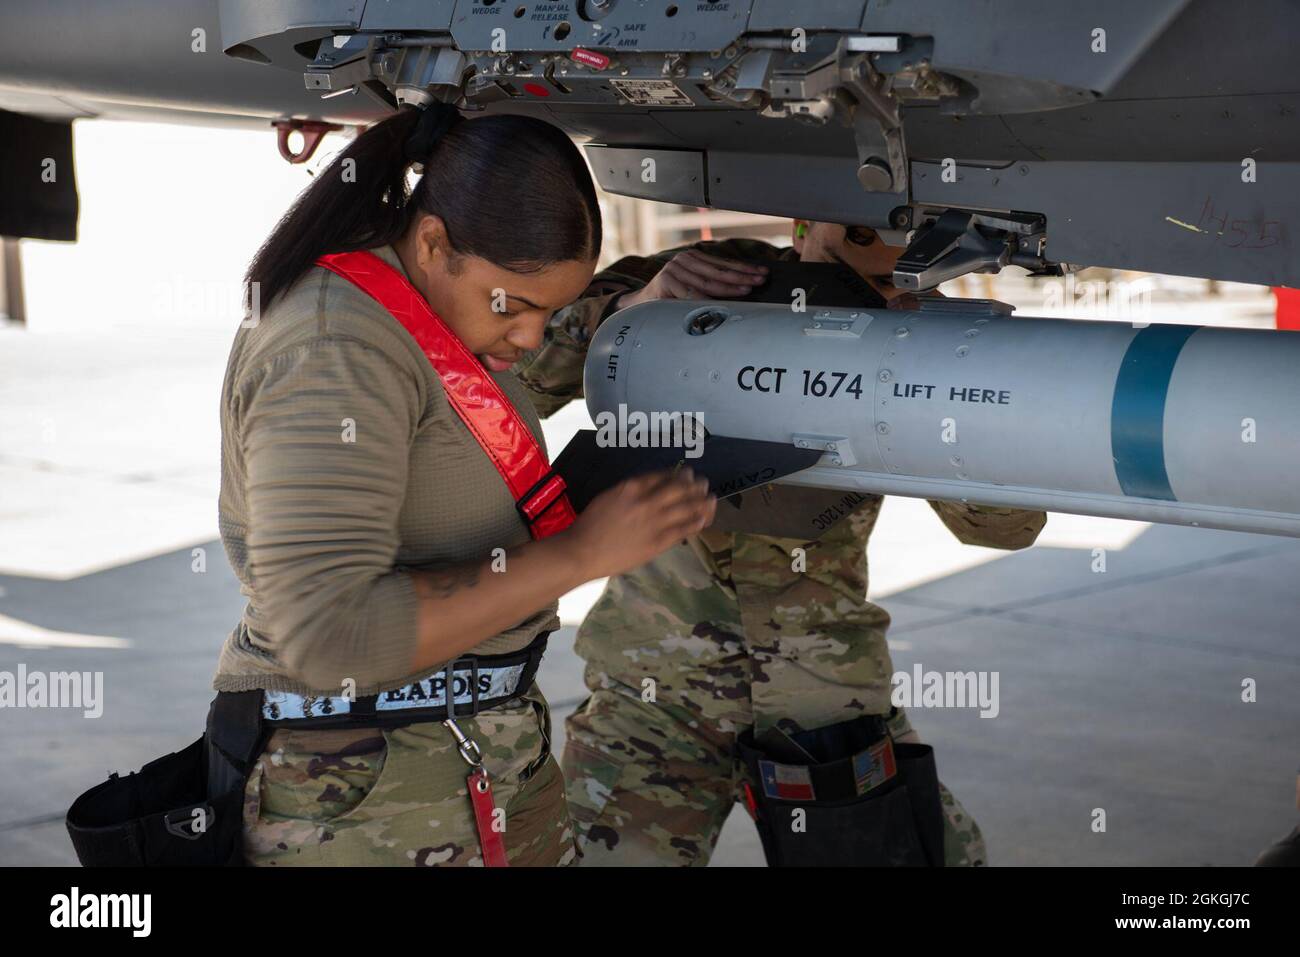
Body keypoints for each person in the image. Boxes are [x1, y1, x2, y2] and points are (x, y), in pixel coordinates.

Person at [211, 105, 716, 866]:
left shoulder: (428, 312)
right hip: (363, 796)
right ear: (432, 243)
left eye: (550, 312)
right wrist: (581, 553)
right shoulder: (335, 350)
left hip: (467, 757)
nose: (530, 337)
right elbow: (330, 632)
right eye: (515, 305)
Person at [516, 220, 1046, 866]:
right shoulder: (703, 281)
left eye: (893, 275)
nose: (868, 292)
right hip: (655, 698)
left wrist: (944, 402)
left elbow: (1002, 529)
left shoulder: (916, 337)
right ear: (803, 226)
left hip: (824, 700)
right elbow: (521, 376)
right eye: (856, 246)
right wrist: (631, 313)